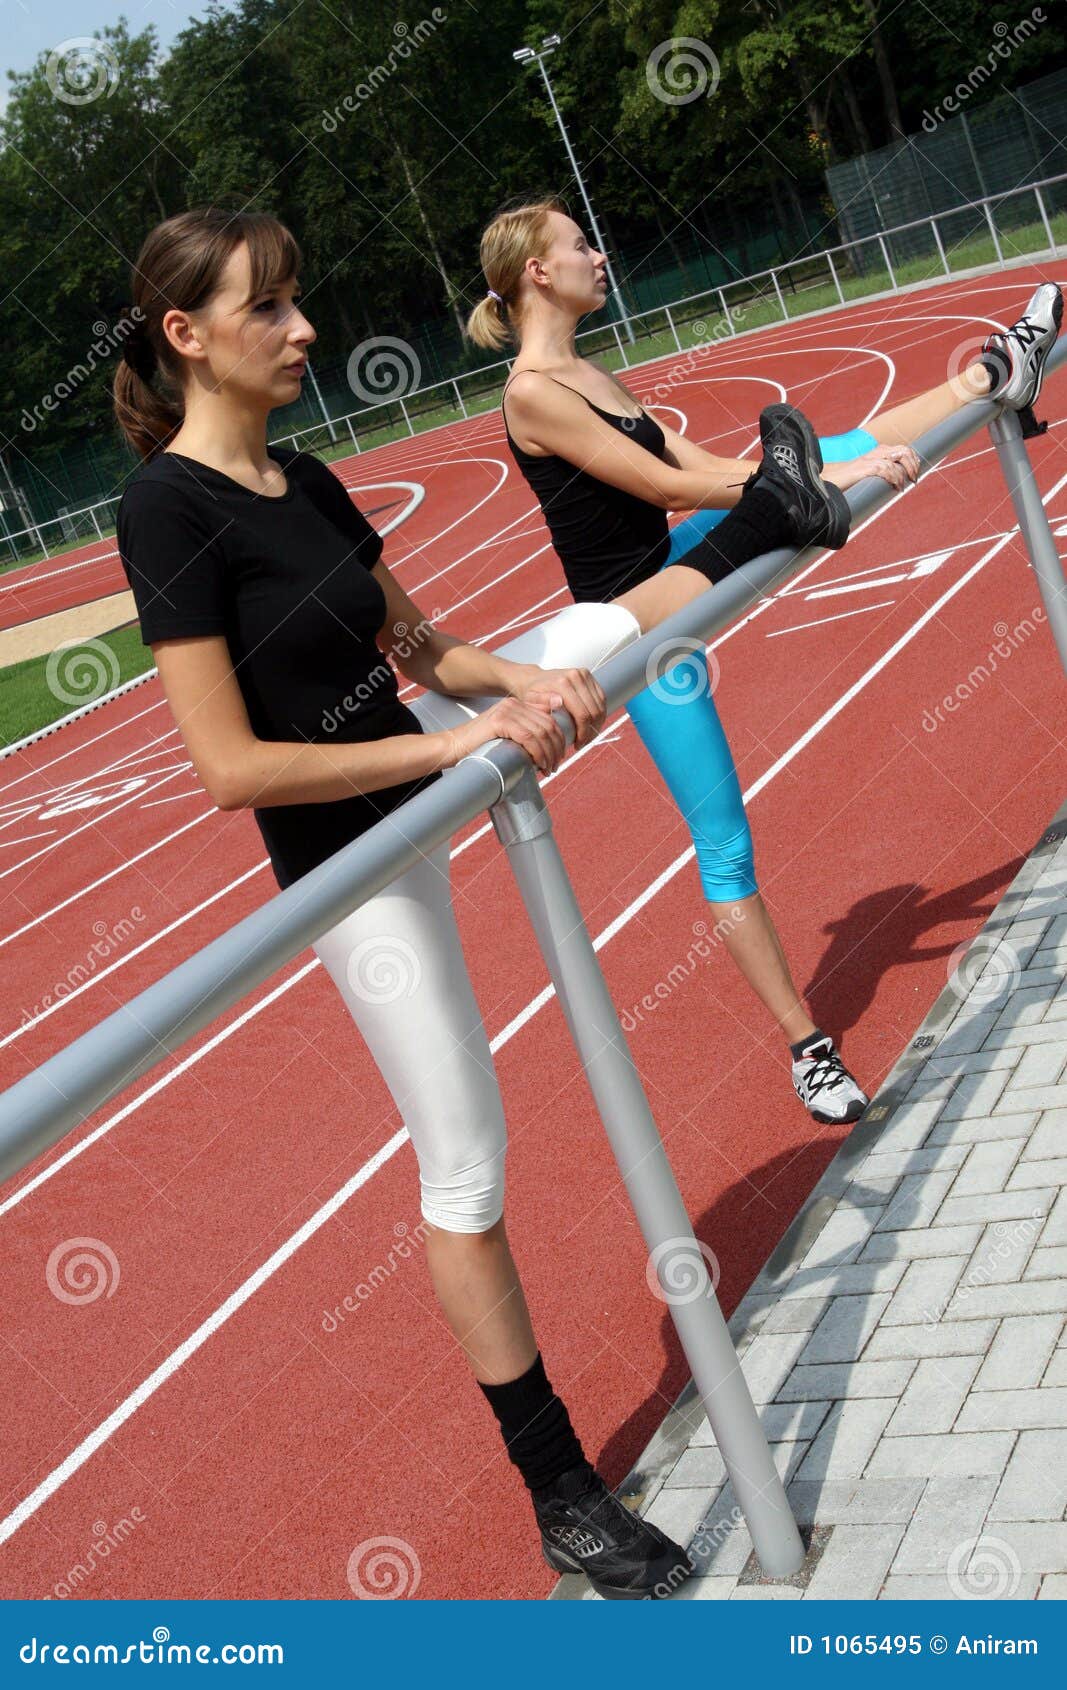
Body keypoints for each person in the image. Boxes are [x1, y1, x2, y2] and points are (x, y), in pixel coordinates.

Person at [111, 204, 691, 1600]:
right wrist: (451, 748)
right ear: (186, 334)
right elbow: (229, 767)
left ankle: (792, 501)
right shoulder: (165, 510)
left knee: (599, 629)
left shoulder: (305, 476)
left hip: (421, 788)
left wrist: (518, 684)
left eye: (296, 298)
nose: (304, 328)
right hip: (350, 865)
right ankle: (559, 1490)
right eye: (267, 307)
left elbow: (419, 643)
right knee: (467, 1164)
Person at [466, 195, 1063, 1124]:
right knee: (723, 840)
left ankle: (993, 373)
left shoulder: (585, 369)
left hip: (684, 553)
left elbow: (693, 456)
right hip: (639, 626)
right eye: (581, 244)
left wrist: (818, 469)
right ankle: (806, 1050)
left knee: (837, 446)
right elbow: (662, 484)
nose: (599, 253)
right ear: (537, 272)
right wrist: (808, 481)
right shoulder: (533, 391)